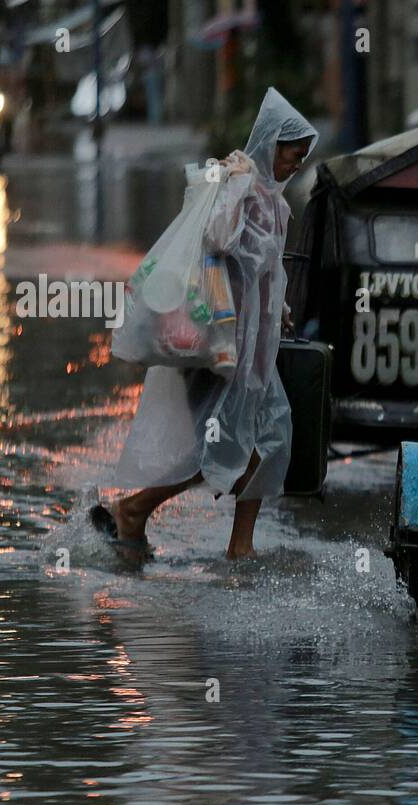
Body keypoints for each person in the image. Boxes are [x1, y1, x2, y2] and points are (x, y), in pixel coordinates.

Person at [91, 88, 317, 560]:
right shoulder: (241, 185)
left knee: (269, 438)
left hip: (257, 347)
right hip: (221, 345)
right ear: (272, 144)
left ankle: (239, 545)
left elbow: (268, 270)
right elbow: (217, 239)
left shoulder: (277, 205)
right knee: (222, 447)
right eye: (293, 155)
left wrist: (281, 309)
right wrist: (235, 186)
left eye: (302, 159)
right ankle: (134, 510)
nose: (296, 165)